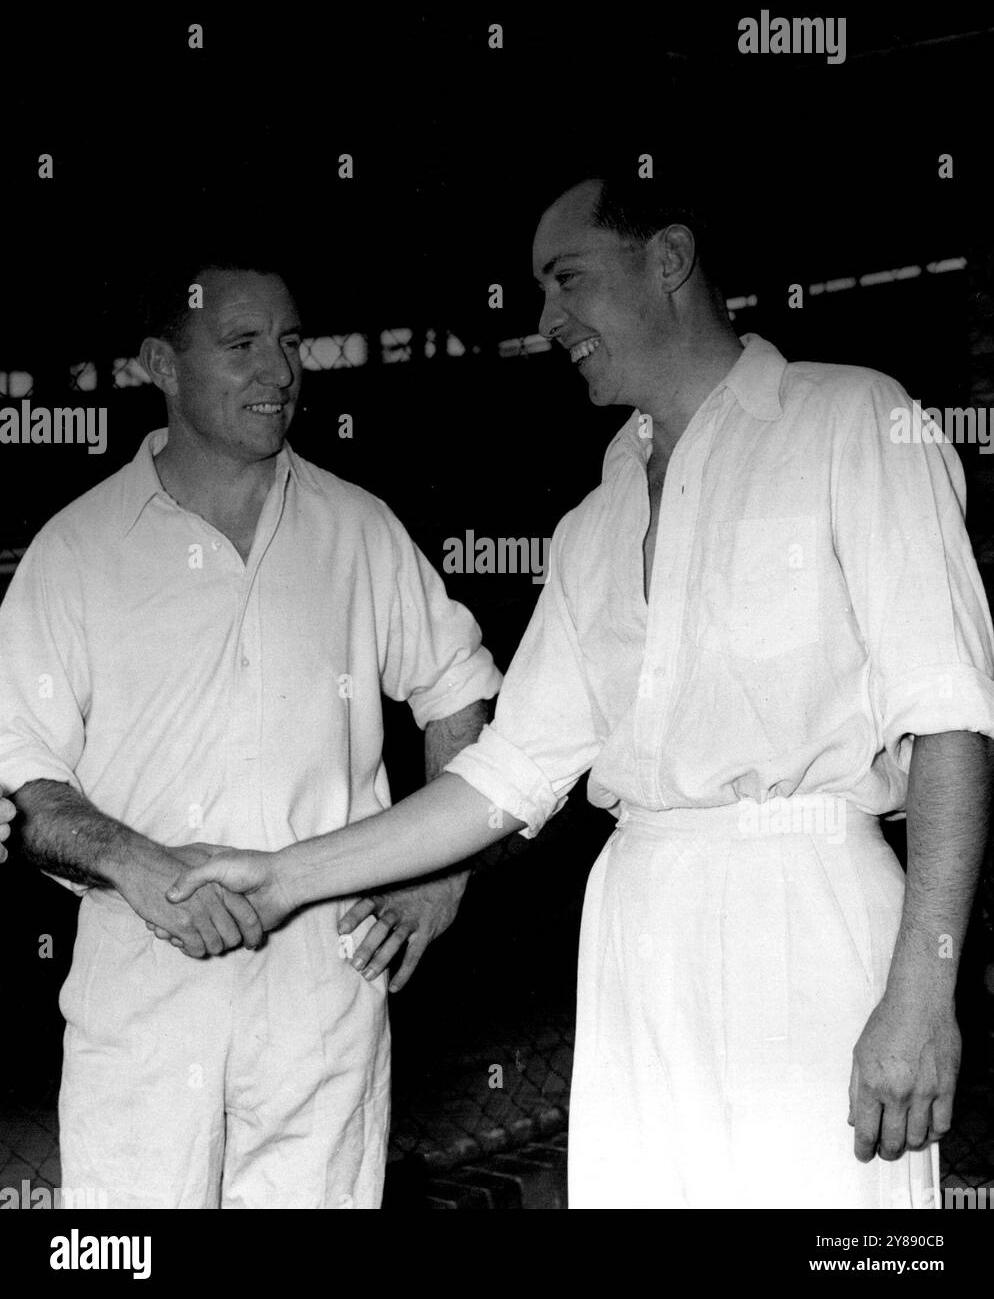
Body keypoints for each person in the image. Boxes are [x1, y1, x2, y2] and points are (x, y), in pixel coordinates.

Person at [169, 173, 994, 1210]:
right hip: (636, 926)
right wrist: (283, 876)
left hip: (810, 913)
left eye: (565, 280)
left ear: (668, 261)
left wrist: (924, 985)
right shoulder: (593, 521)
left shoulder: (853, 419)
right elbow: (503, 776)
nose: (547, 319)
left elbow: (951, 711)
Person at [0, 257, 501, 1208]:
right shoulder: (75, 550)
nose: (279, 373)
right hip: (144, 973)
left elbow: (458, 691)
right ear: (162, 363)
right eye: (241, 346)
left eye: (290, 344)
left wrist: (442, 877)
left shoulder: (359, 529)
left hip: (325, 969)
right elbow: (22, 785)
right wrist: (136, 864)